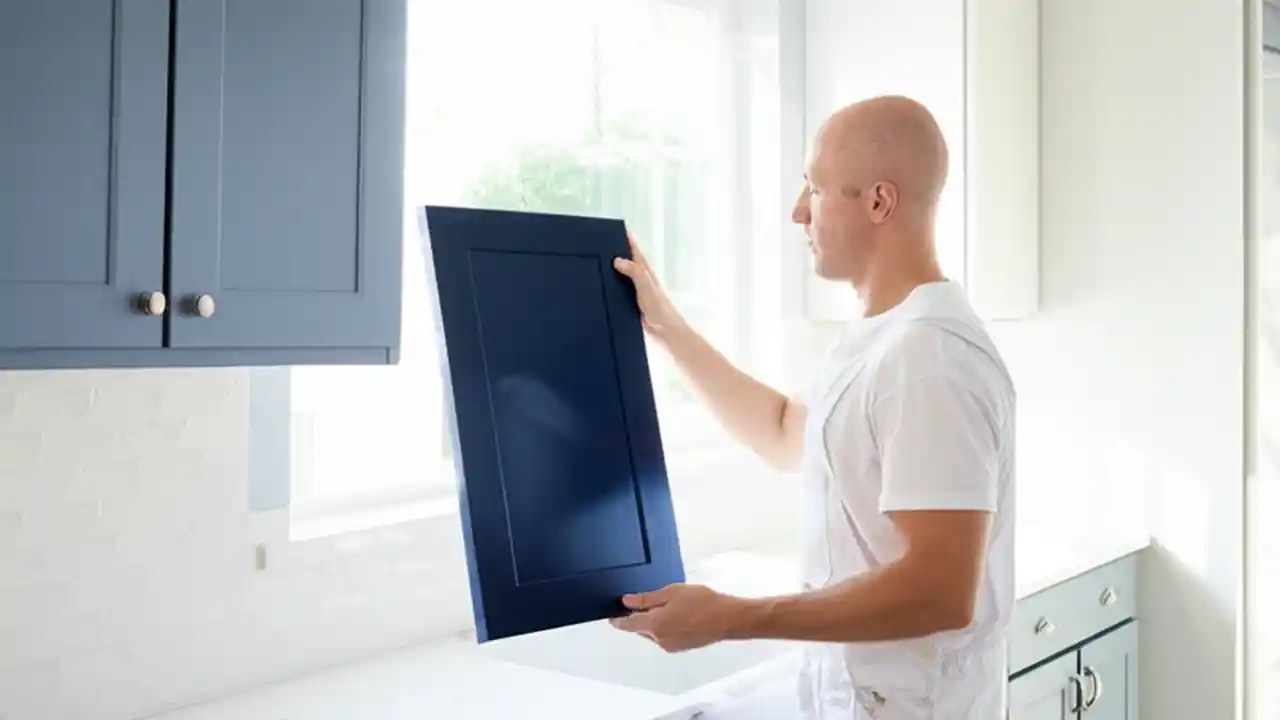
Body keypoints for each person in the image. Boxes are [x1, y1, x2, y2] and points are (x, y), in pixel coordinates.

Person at [609, 95, 1016, 719]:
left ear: (879, 202)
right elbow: (779, 433)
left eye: (816, 189)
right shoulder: (878, 340)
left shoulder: (927, 358)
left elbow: (940, 589)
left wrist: (732, 617)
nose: (799, 212)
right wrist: (665, 327)